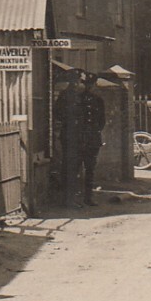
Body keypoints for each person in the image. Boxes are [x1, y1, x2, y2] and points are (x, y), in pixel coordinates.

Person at [53, 71, 89, 207]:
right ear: (74, 81)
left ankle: (70, 198)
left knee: (73, 166)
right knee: (71, 167)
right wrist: (70, 121)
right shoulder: (68, 95)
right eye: (79, 81)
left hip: (73, 134)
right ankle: (68, 199)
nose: (80, 84)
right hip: (70, 134)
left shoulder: (75, 95)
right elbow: (58, 112)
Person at [79, 73, 107, 204]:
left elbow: (102, 121)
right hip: (80, 138)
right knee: (76, 167)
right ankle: (75, 198)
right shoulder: (78, 99)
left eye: (92, 84)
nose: (90, 87)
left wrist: (94, 132)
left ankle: (88, 197)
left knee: (90, 168)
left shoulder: (98, 100)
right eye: (88, 84)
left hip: (93, 139)